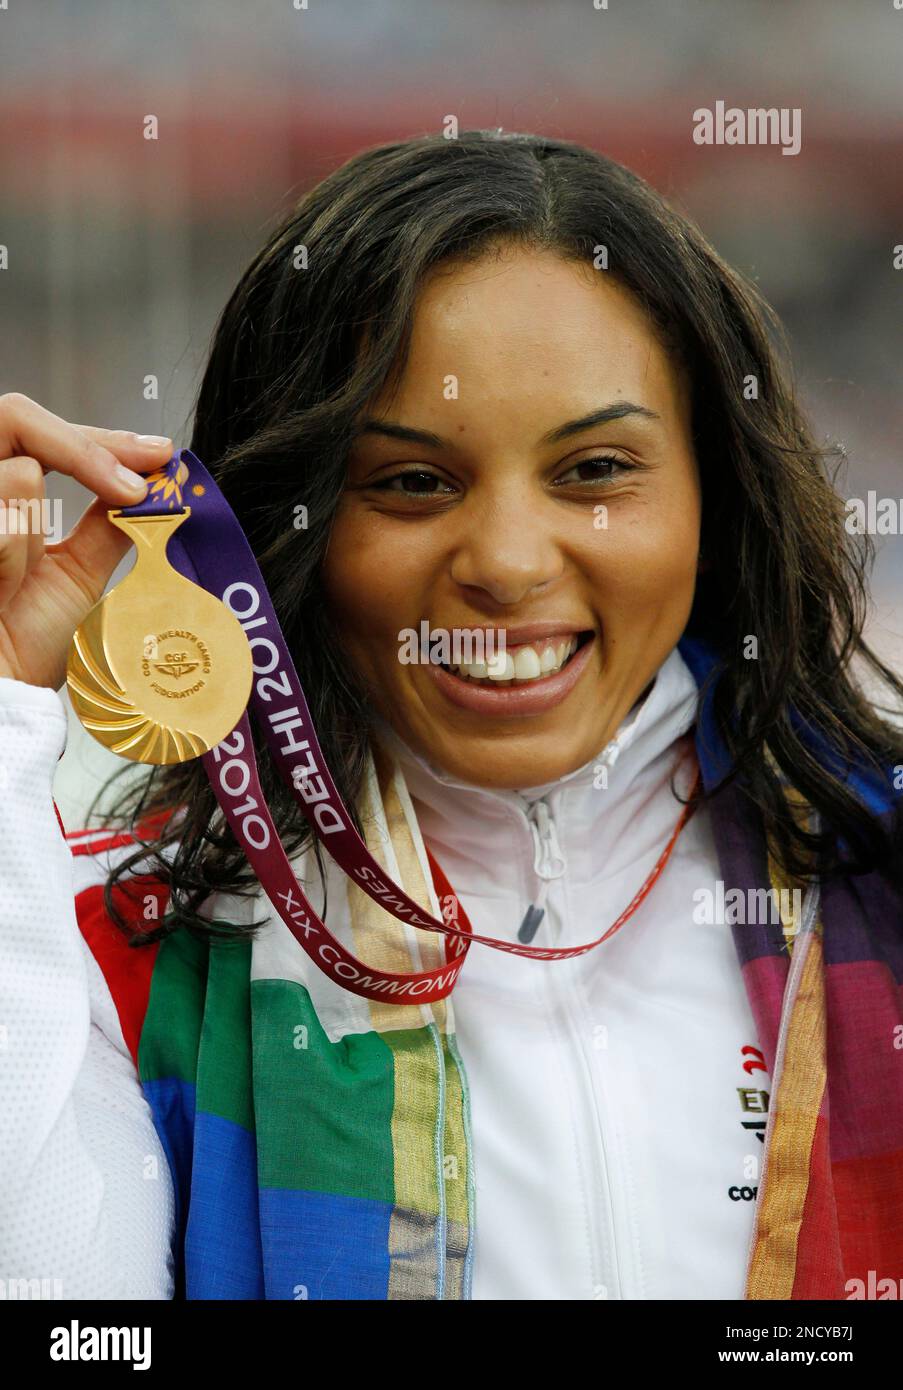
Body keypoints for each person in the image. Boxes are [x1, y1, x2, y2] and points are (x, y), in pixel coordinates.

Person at [0, 130, 901, 1302]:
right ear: (290, 522)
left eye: (595, 471)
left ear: (716, 493)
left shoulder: (879, 874)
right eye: (413, 483)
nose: (511, 564)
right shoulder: (119, 941)